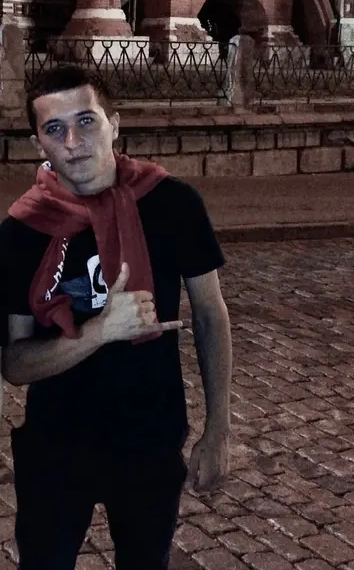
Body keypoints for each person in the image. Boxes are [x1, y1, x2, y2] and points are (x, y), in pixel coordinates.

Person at [0, 65, 232, 570]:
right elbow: (15, 364)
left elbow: (210, 315)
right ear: (39, 144)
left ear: (115, 124)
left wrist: (218, 429)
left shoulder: (172, 204)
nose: (74, 142)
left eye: (86, 121)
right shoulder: (21, 231)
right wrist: (100, 332)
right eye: (55, 129)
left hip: (150, 440)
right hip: (56, 447)